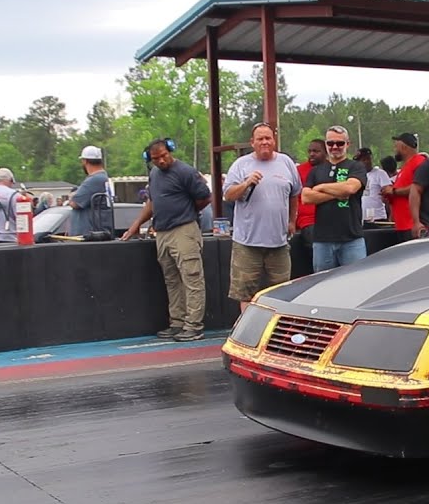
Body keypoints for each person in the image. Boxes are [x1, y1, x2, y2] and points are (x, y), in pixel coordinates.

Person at [122, 139, 212, 342]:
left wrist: (187, 212)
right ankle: (177, 322)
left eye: (164, 155)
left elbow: (205, 197)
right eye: (156, 159)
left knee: (192, 278)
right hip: (162, 231)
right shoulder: (154, 174)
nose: (161, 161)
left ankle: (194, 325)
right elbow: (152, 202)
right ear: (150, 160)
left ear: (170, 151)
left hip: (184, 229)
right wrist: (136, 224)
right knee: (172, 280)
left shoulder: (185, 171)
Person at [222, 123, 301, 302]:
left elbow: (295, 194)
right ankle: (249, 329)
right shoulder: (241, 165)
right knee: (245, 295)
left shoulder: (286, 162)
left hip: (279, 243)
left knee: (282, 294)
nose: (265, 142)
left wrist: (291, 221)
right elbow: (228, 195)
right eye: (260, 139)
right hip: (247, 243)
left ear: (274, 140)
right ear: (252, 142)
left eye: (268, 138)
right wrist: (246, 183)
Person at [302, 125, 368, 272]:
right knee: (322, 285)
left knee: (356, 283)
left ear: (348, 144)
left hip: (351, 239)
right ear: (326, 145)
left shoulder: (356, 167)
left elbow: (350, 188)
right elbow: (306, 197)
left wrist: (320, 187)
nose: (335, 147)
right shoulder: (316, 170)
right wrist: (338, 192)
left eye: (340, 143)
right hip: (322, 240)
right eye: (330, 143)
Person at [382, 133, 427, 239]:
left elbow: (419, 187)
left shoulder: (419, 161)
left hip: (411, 225)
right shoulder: (405, 166)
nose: (394, 149)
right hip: (402, 225)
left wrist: (394, 191)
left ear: (403, 147)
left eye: (396, 146)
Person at [70, 145, 112, 236]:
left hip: (88, 233)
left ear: (85, 161)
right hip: (93, 233)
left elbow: (75, 203)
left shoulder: (95, 179)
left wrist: (72, 195)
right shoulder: (102, 177)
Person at [354, 147, 392, 222]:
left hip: (378, 217)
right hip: (361, 218)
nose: (366, 162)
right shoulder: (355, 176)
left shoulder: (380, 173)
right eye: (363, 160)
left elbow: (388, 194)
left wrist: (391, 214)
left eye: (368, 159)